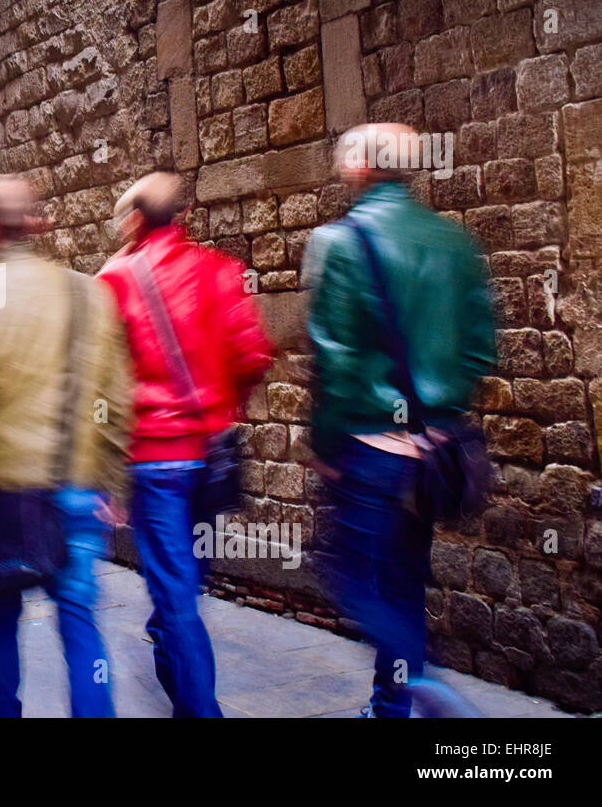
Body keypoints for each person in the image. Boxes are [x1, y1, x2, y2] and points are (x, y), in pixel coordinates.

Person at [0, 176, 133, 718]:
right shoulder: (89, 294)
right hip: (78, 493)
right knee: (81, 622)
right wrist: (117, 483)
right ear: (37, 226)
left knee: (1, 620)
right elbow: (113, 400)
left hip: (6, 498)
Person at [303, 123, 496, 718]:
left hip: (368, 446)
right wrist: (437, 418)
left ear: (362, 168)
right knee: (407, 580)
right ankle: (391, 705)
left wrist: (327, 446)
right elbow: (479, 350)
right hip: (434, 449)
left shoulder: (338, 242)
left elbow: (333, 360)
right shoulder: (454, 243)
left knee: (348, 574)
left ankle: (423, 680)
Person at [98, 171, 274, 717]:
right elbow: (253, 355)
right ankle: (176, 663)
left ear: (133, 219)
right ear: (181, 216)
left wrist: (108, 471)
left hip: (155, 461)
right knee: (184, 582)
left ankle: (200, 709)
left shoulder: (115, 279)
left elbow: (101, 384)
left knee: (176, 595)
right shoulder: (219, 271)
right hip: (209, 456)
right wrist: (223, 408)